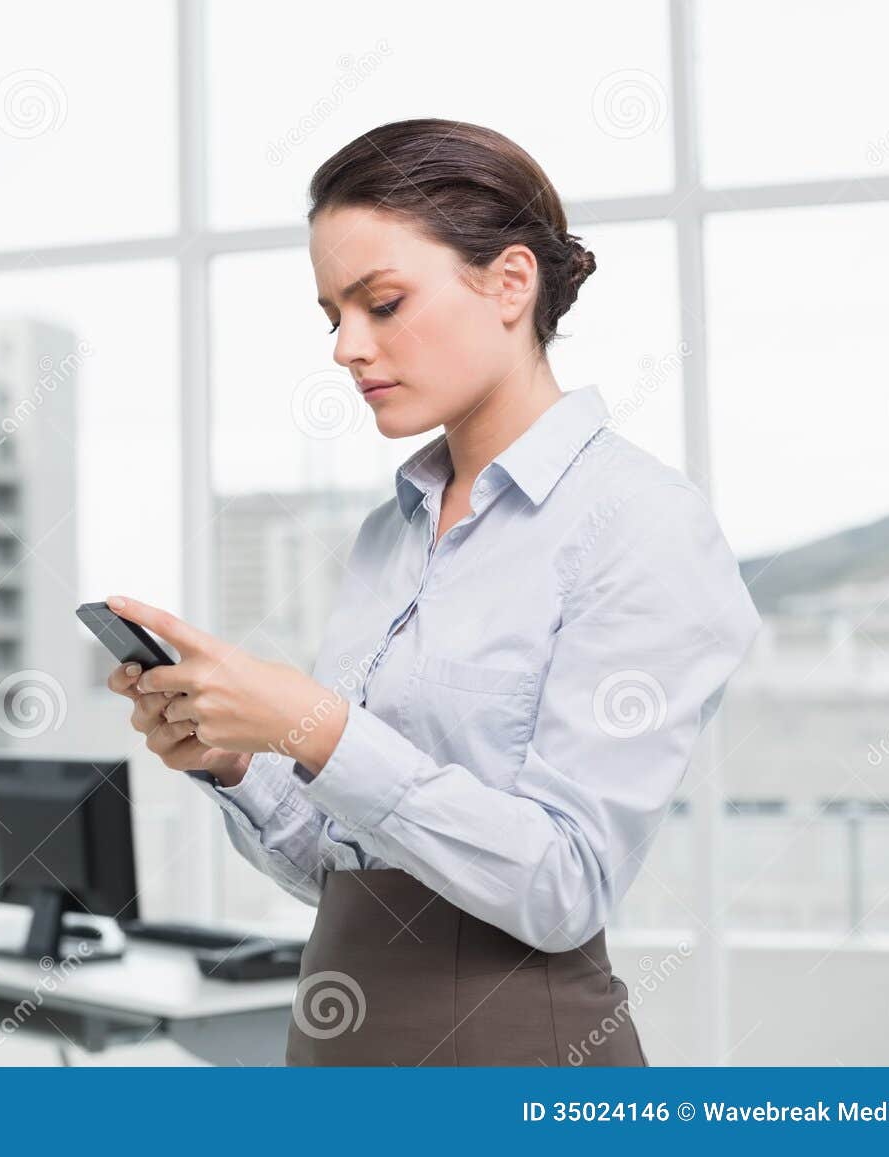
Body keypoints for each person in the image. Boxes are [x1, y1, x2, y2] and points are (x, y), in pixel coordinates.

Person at [104, 118, 761, 1066]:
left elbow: (565, 886)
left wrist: (321, 728)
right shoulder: (392, 531)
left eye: (382, 303)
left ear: (510, 283)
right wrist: (242, 761)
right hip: (335, 1037)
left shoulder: (642, 524)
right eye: (333, 315)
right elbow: (343, 868)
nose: (346, 347)